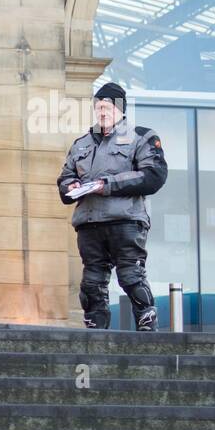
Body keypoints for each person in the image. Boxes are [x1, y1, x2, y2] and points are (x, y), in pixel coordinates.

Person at [58, 82, 168, 331]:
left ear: (120, 109)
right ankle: (96, 332)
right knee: (91, 282)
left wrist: (105, 184)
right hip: (89, 223)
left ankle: (147, 325)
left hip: (126, 221)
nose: (101, 112)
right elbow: (64, 179)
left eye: (106, 107)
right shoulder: (81, 144)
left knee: (131, 276)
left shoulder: (142, 137)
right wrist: (71, 186)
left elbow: (154, 176)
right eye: (97, 107)